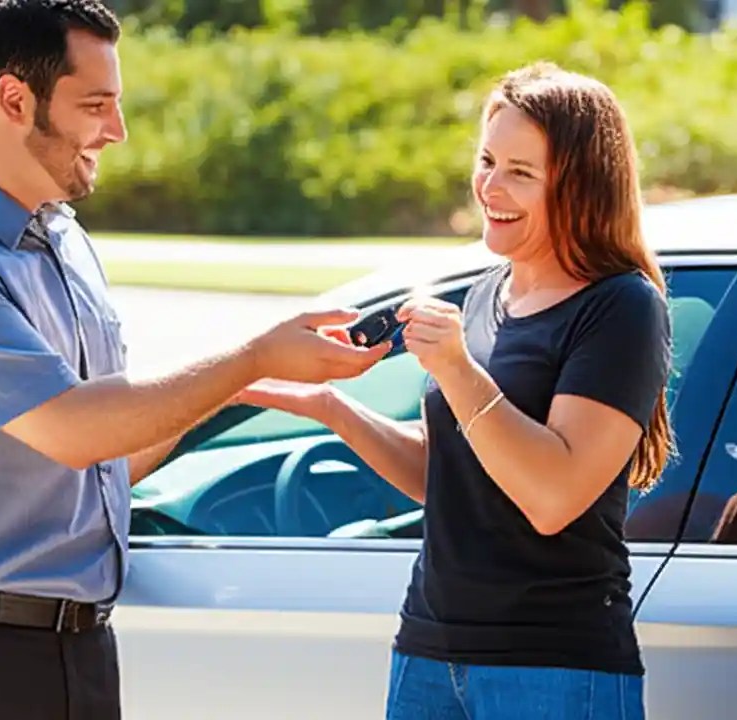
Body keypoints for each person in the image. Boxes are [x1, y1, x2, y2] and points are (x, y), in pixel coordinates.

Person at [0, 1, 388, 718]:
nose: (117, 131)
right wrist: (250, 358)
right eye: (96, 105)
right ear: (12, 98)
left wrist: (242, 385)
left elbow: (103, 465)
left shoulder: (65, 242)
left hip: (77, 654)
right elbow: (76, 428)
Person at [239, 62, 672, 719]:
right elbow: (453, 475)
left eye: (520, 173)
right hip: (430, 650)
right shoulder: (484, 294)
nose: (490, 187)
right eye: (487, 159)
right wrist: (327, 408)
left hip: (552, 666)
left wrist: (457, 370)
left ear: (580, 184)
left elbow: (554, 496)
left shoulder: (621, 309)